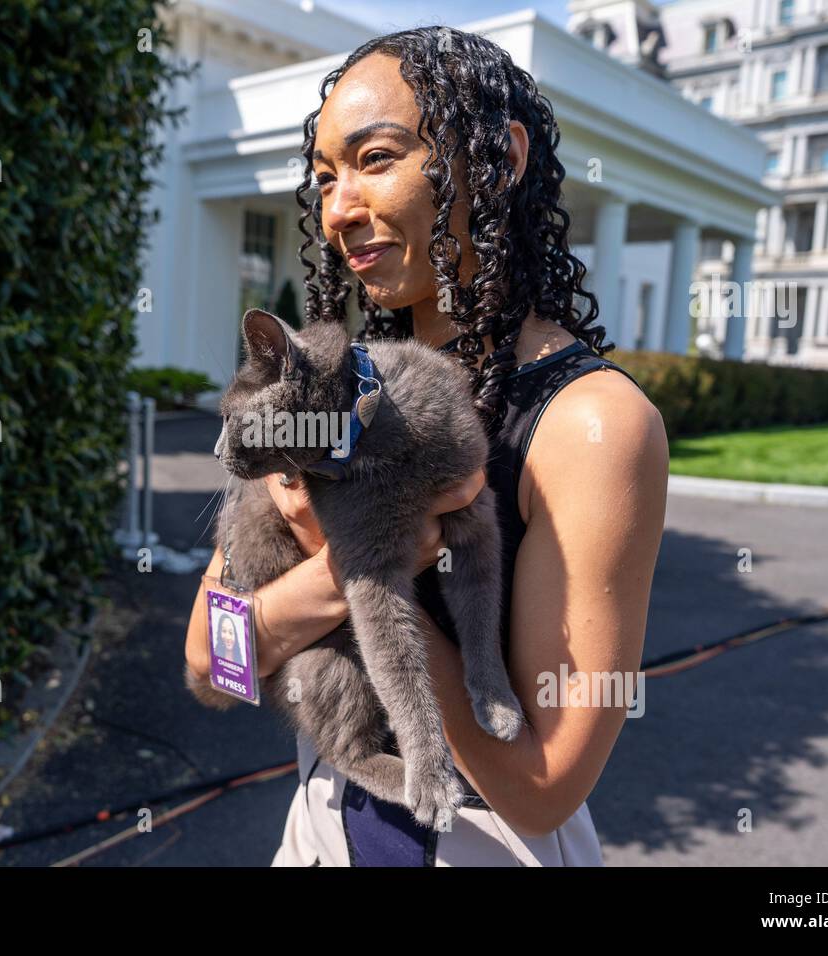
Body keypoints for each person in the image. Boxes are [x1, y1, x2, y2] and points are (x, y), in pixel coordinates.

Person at [183, 25, 668, 866]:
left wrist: (371, 568)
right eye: (326, 177)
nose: (337, 208)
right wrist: (341, 566)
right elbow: (211, 664)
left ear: (498, 158)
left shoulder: (590, 425)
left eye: (375, 159)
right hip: (323, 817)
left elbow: (543, 785)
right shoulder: (326, 390)